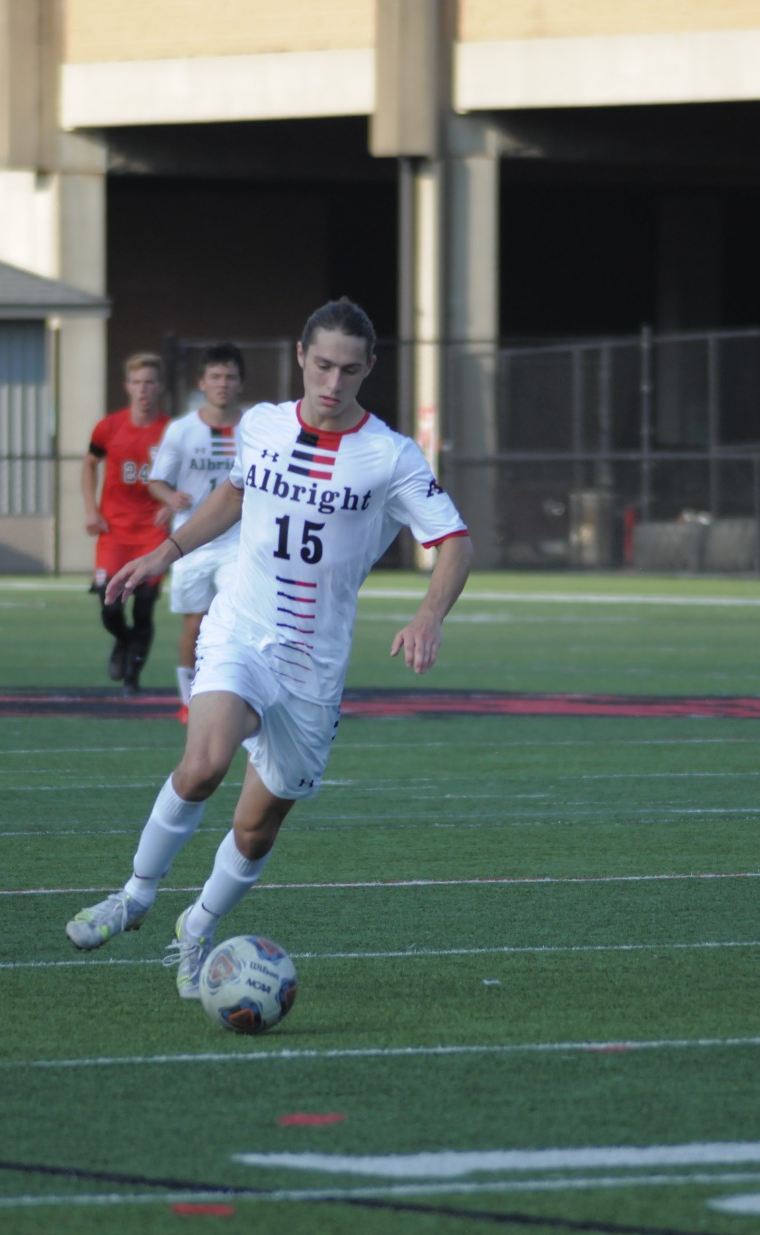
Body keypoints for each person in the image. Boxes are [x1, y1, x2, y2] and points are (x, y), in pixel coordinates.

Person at [64, 298, 472, 999]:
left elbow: (454, 541)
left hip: (313, 664)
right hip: (243, 628)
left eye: (349, 369)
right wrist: (165, 551)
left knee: (256, 828)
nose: (333, 382)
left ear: (369, 367)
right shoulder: (263, 425)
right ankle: (133, 896)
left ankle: (198, 925)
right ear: (299, 357)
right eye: (322, 365)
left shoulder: (391, 455)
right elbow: (231, 495)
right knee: (203, 763)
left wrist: (430, 613)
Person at [148, 343, 246, 722]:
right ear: (203, 382)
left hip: (238, 543)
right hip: (190, 543)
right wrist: (170, 496)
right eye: (216, 377)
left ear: (241, 383)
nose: (223, 384)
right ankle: (189, 702)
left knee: (237, 620)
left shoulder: (254, 427)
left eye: (231, 377)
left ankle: (236, 694)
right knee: (194, 623)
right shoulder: (181, 429)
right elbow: (157, 480)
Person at [84, 353, 171, 696]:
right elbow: (88, 464)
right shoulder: (109, 427)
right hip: (114, 532)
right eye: (137, 383)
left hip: (152, 532)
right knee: (110, 606)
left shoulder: (171, 430)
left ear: (159, 387)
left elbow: (184, 472)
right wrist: (91, 509)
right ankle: (124, 639)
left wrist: (170, 501)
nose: (143, 390)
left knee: (145, 604)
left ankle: (133, 679)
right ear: (127, 387)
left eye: (150, 382)